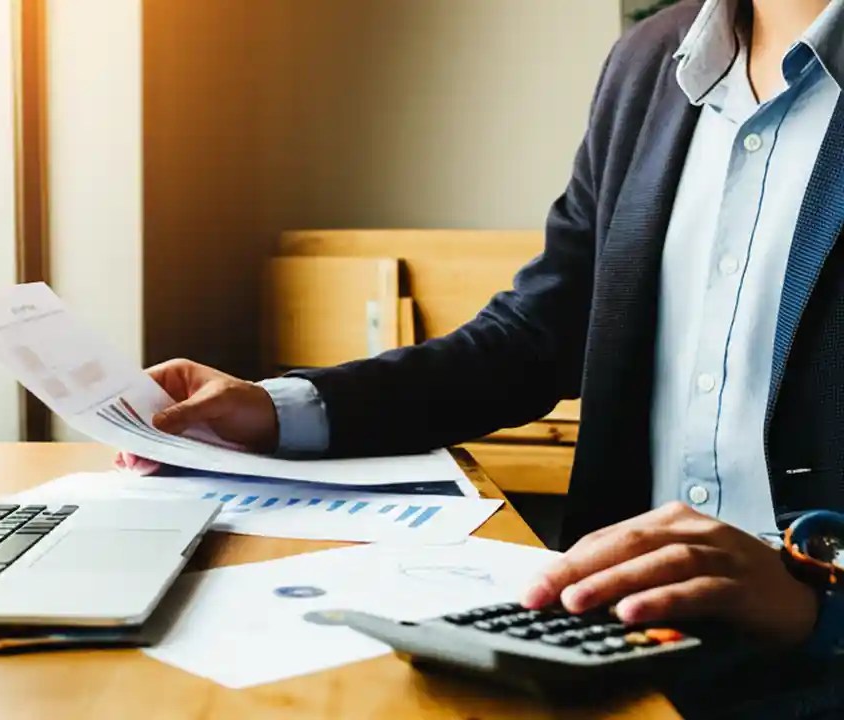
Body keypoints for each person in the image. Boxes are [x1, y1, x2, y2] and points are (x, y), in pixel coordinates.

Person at [124, 0, 844, 713]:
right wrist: (278, 410)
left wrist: (814, 604)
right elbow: (534, 337)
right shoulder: (649, 61)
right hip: (609, 652)